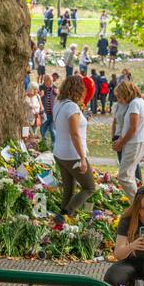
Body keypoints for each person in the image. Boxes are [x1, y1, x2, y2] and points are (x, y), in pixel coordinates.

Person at [51, 74, 95, 223]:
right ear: (78, 89)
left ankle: (61, 218)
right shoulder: (72, 107)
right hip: (72, 154)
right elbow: (74, 133)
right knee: (89, 187)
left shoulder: (59, 102)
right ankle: (67, 211)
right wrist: (82, 158)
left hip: (59, 152)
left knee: (69, 188)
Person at [112, 81, 144, 198]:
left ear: (126, 93)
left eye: (119, 96)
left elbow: (133, 128)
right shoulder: (138, 102)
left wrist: (121, 142)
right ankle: (136, 204)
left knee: (124, 177)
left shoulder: (134, 104)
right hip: (135, 142)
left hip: (134, 143)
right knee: (129, 175)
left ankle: (137, 203)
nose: (118, 99)